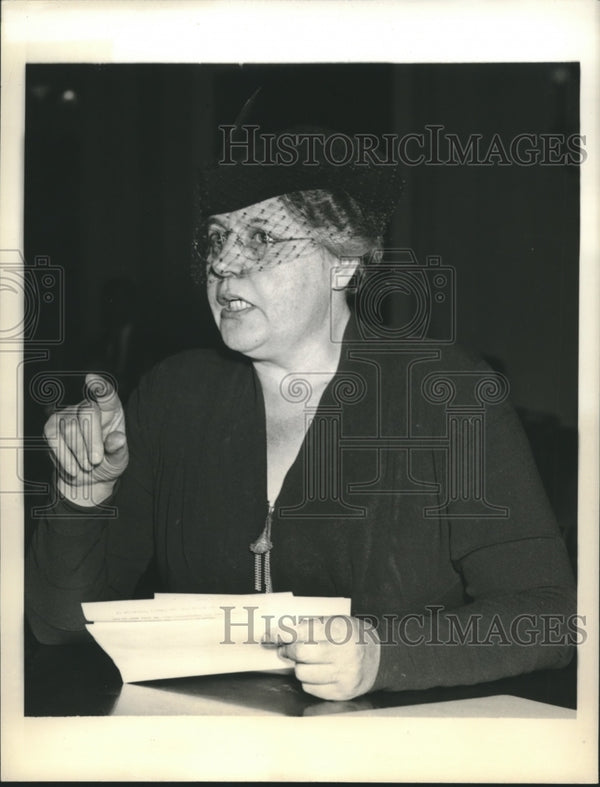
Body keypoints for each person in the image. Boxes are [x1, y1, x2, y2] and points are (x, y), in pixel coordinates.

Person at [26, 149, 576, 702]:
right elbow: (64, 626)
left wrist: (385, 655)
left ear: (344, 262)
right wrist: (83, 493)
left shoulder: (448, 393)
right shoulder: (174, 395)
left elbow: (549, 616)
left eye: (261, 239)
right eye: (217, 239)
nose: (222, 264)